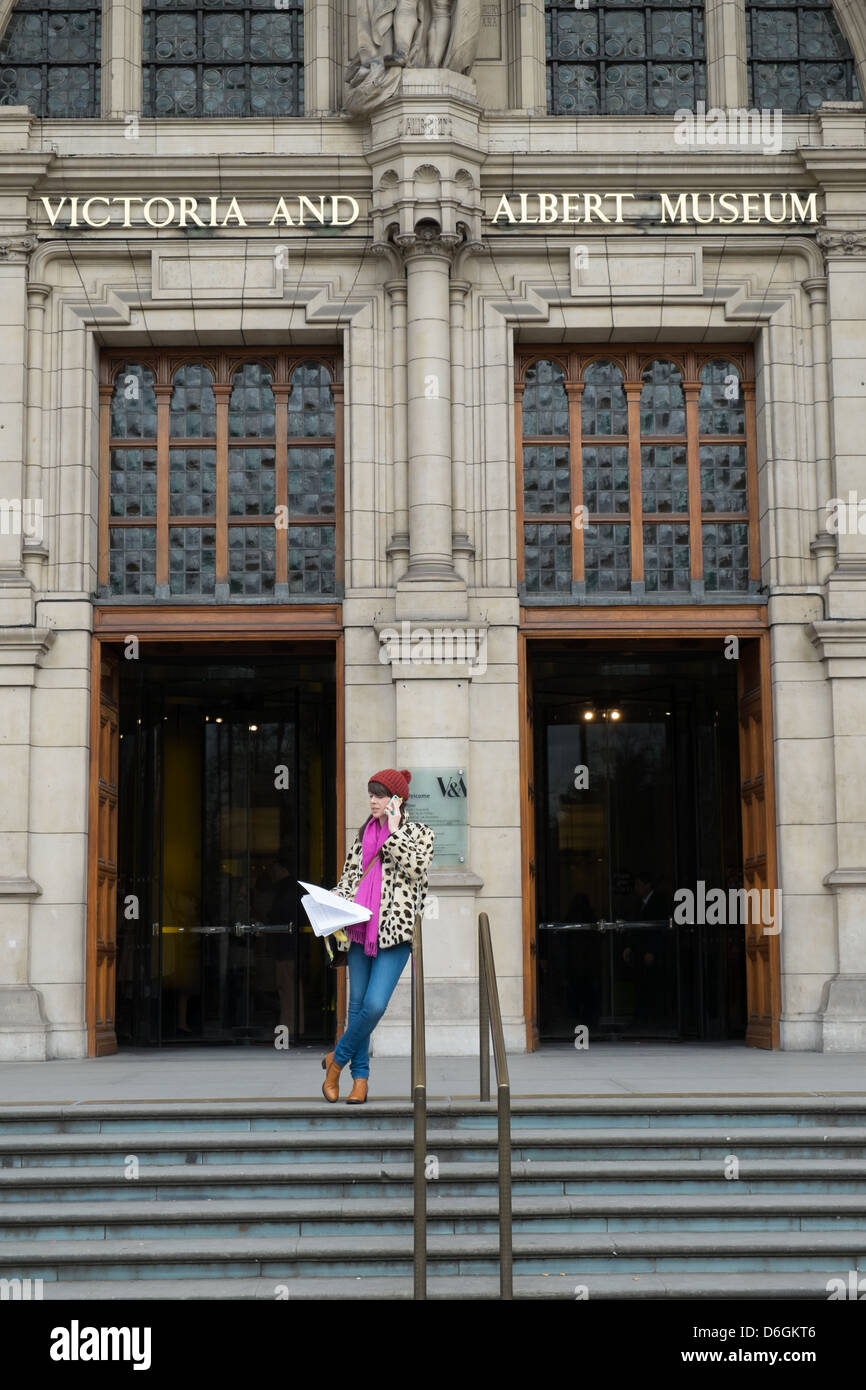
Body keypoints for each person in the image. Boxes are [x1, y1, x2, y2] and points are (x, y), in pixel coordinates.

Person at [321, 769, 435, 1104]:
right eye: (371, 794)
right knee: (356, 1008)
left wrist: (395, 831)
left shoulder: (419, 833)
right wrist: (329, 900)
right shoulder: (362, 836)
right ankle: (361, 1082)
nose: (373, 800)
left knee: (374, 1005)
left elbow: (416, 868)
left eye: (380, 795)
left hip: (395, 934)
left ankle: (335, 1061)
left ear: (397, 800)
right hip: (358, 930)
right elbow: (349, 881)